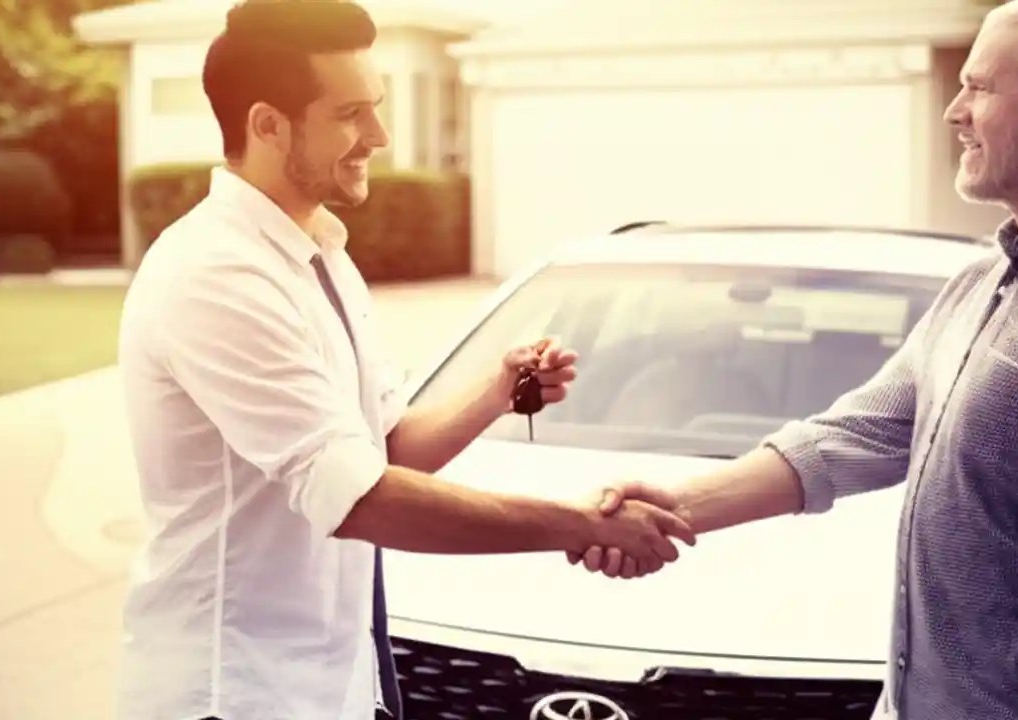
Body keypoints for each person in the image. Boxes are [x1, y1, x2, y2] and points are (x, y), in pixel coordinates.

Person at [113, 2, 695, 719]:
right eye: (351, 113)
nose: (379, 137)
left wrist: (498, 389)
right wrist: (578, 525)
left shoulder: (318, 254)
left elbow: (385, 452)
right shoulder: (216, 274)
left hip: (327, 688)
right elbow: (359, 497)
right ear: (267, 124)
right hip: (231, 693)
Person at [576, 1, 1018, 718]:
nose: (954, 111)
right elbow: (860, 433)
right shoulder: (981, 280)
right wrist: (675, 506)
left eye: (979, 86)